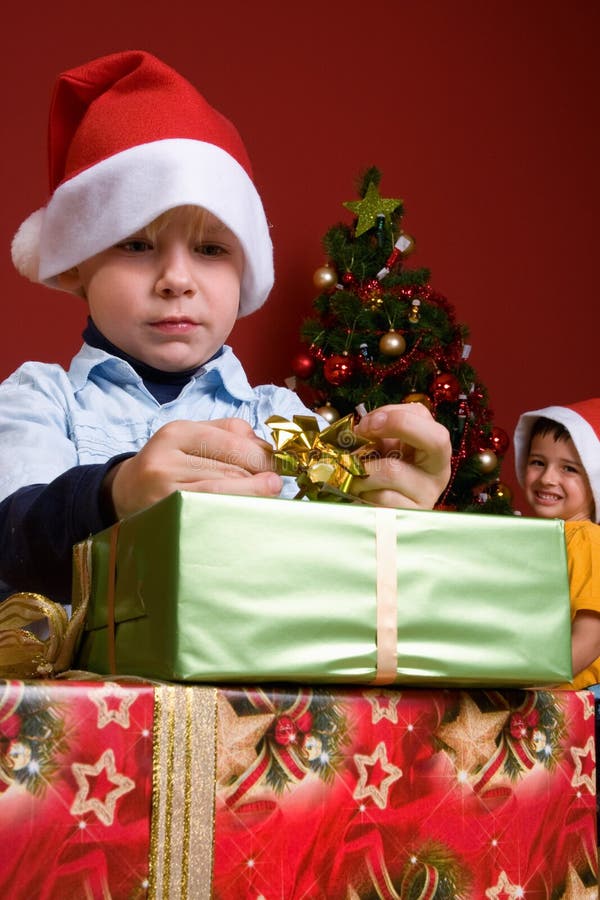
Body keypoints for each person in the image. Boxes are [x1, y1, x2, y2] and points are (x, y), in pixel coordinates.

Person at [0, 50, 451, 606]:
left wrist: (395, 512)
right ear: (74, 262)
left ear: (245, 271)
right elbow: (9, 544)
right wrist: (113, 494)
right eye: (136, 244)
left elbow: (347, 584)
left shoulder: (282, 420)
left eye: (211, 248)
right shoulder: (41, 402)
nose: (176, 279)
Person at [513, 398, 600, 689]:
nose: (548, 478)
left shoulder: (588, 541)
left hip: (575, 697)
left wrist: (531, 681)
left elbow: (590, 638)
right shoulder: (531, 537)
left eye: (569, 469)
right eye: (538, 462)